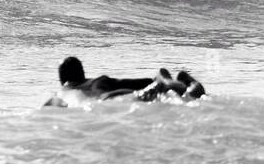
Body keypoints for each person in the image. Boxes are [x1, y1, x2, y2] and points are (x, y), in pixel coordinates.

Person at [44, 56, 206, 107]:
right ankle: (183, 78)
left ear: (62, 80)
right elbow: (142, 82)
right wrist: (156, 79)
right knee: (177, 88)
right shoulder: (99, 81)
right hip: (117, 96)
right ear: (83, 73)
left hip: (105, 104)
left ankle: (169, 81)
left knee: (180, 96)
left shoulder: (59, 96)